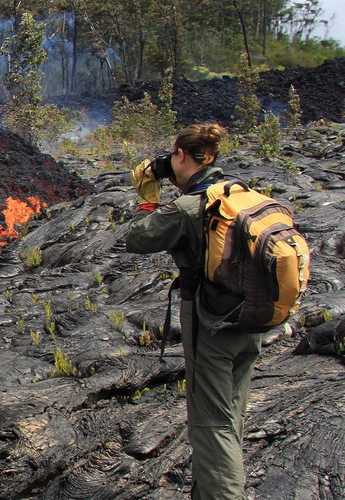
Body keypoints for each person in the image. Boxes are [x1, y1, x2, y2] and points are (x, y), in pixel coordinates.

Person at [125, 123, 263, 499]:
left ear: (182, 156)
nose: (168, 163)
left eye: (172, 156)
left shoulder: (188, 207)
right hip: (252, 318)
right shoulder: (241, 193)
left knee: (211, 425)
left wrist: (147, 198)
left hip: (212, 325)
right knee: (230, 410)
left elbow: (137, 238)